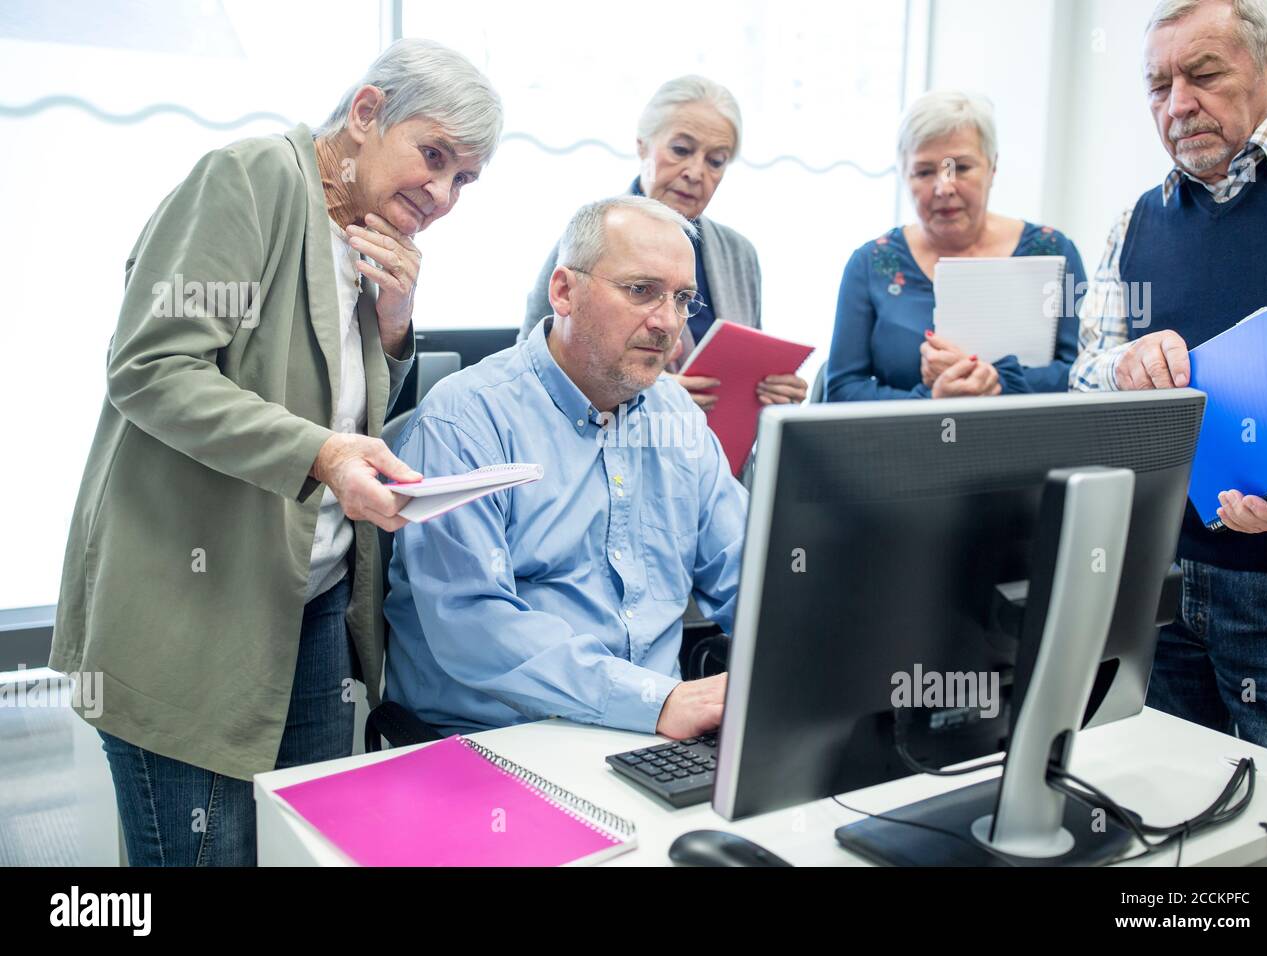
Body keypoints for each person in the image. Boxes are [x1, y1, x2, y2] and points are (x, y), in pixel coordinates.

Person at [47, 39, 503, 865]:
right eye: (434, 157)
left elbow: (345, 406)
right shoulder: (252, 178)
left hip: (315, 601)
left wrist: (395, 323)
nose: (441, 195)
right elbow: (151, 369)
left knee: (308, 852)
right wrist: (323, 456)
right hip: (199, 609)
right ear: (367, 114)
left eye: (463, 179)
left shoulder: (363, 235)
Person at [385, 196, 747, 739]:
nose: (668, 322)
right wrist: (654, 700)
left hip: (653, 735)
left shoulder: (678, 419)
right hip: (500, 739)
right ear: (564, 291)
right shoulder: (466, 418)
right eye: (641, 290)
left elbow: (745, 571)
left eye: (682, 299)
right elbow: (471, 624)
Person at [1070, 0, 1267, 757]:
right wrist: (1122, 369)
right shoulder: (1134, 223)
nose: (1179, 105)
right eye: (1158, 86)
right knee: (1165, 801)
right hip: (1154, 581)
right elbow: (1083, 383)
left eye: (1203, 75)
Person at [519, 75, 807, 411]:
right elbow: (531, 362)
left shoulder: (739, 253)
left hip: (719, 454)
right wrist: (646, 390)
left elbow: (748, 362)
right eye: (681, 150)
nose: (696, 172)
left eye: (716, 161)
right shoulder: (592, 234)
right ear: (642, 145)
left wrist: (772, 390)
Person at [826, 90, 1085, 401]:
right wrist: (930, 399)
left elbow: (1086, 371)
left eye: (961, 168)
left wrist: (998, 381)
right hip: (908, 445)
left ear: (992, 168)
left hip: (1028, 444)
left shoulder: (1054, 251)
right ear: (903, 175)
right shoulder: (870, 263)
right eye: (924, 171)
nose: (944, 187)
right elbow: (842, 390)